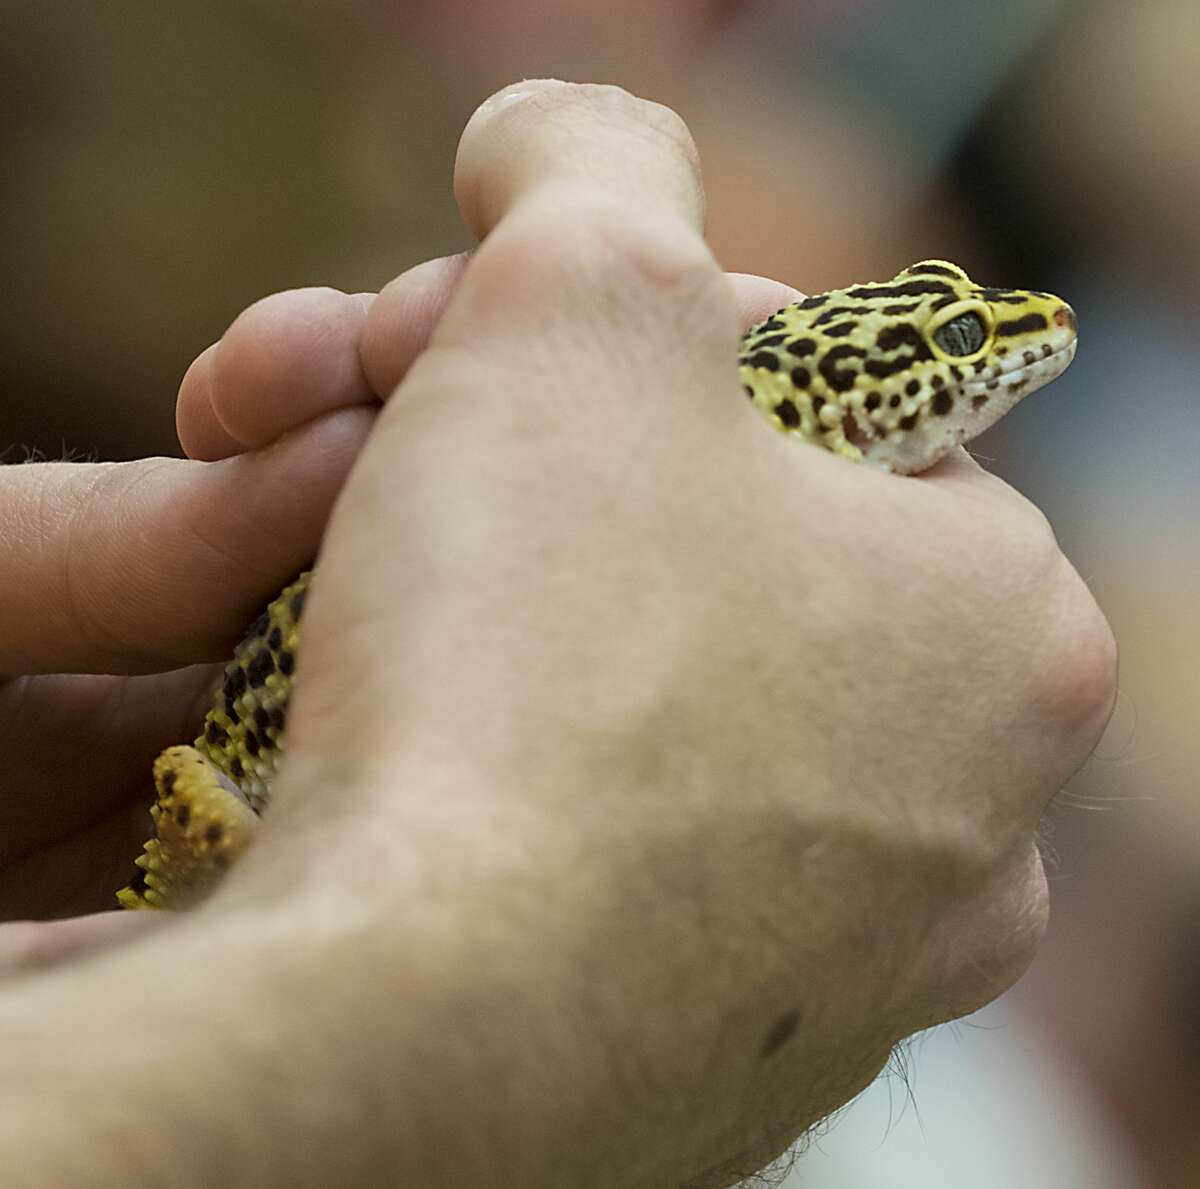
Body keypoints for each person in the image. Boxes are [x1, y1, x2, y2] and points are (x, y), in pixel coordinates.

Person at [0, 82, 1115, 1187]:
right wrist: (529, 977)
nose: (1028, 327)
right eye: (959, 332)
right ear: (856, 400)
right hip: (229, 790)